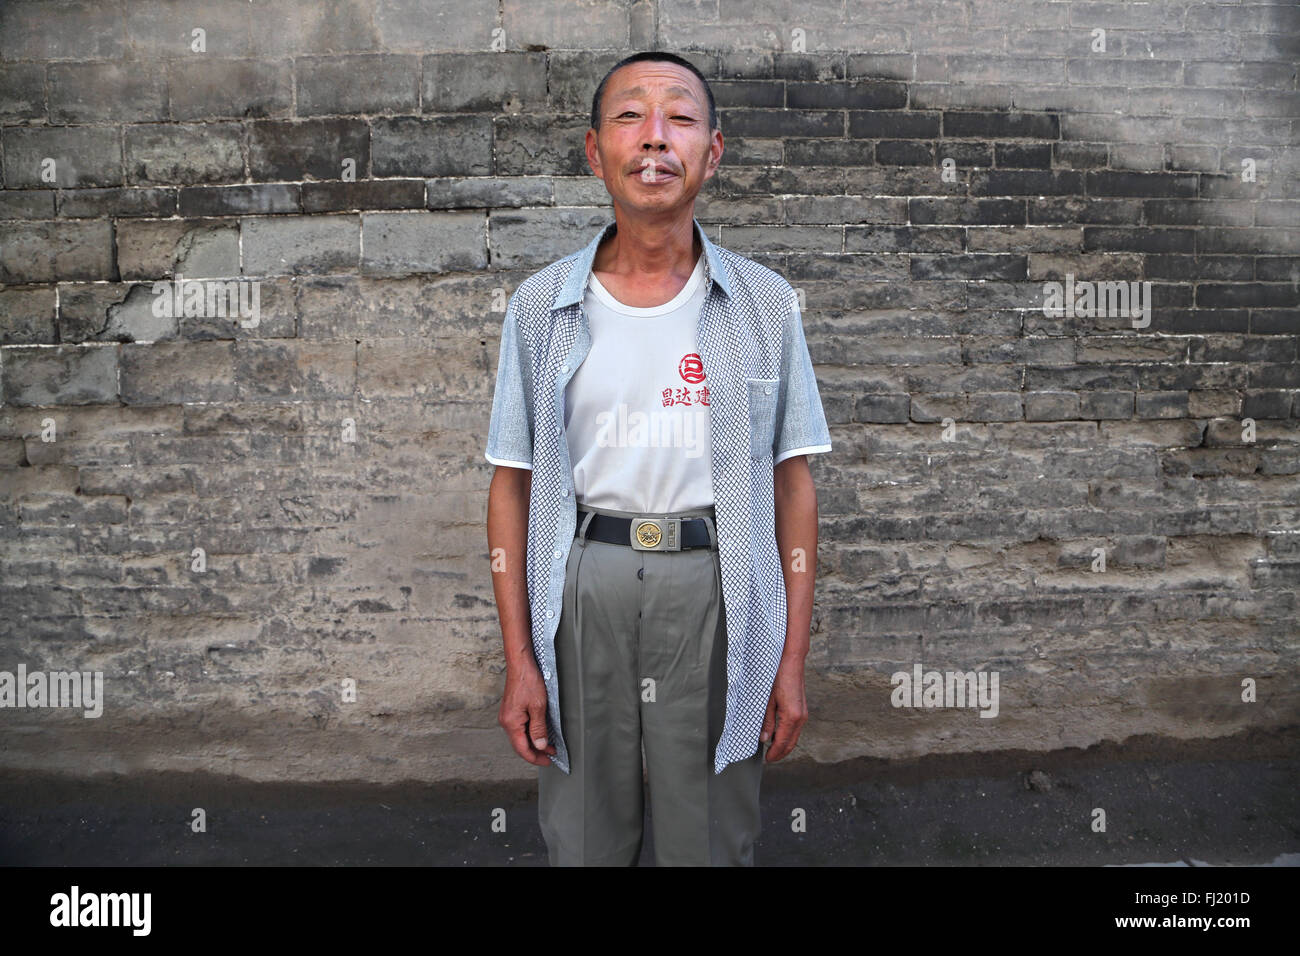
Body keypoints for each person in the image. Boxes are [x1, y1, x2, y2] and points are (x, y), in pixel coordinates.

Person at [484, 51, 832, 866]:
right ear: (593, 149)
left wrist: (789, 659)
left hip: (716, 583)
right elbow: (511, 485)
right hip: (586, 581)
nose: (654, 138)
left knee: (710, 832)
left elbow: (793, 486)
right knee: (584, 834)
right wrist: (518, 663)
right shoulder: (542, 307)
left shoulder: (764, 304)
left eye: (680, 116)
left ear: (711, 152)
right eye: (630, 116)